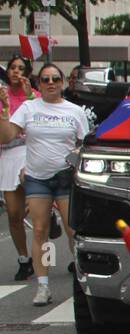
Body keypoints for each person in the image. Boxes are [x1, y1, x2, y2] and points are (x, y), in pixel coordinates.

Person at [0, 62, 86, 305]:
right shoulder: (28, 108)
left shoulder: (74, 111)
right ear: (39, 83)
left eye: (55, 79)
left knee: (73, 231)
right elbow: (6, 136)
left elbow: (84, 143)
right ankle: (43, 286)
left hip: (65, 177)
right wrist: (5, 110)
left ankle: (82, 280)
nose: (50, 83)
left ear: (62, 83)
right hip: (38, 178)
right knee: (40, 231)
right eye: (46, 79)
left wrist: (76, 155)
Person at [2, 55, 34, 280]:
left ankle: (48, 210)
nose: (16, 72)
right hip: (7, 154)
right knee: (14, 214)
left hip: (32, 152)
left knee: (31, 188)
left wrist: (31, 95)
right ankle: (24, 259)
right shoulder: (1, 95)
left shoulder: (35, 96)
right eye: (12, 68)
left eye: (21, 68)